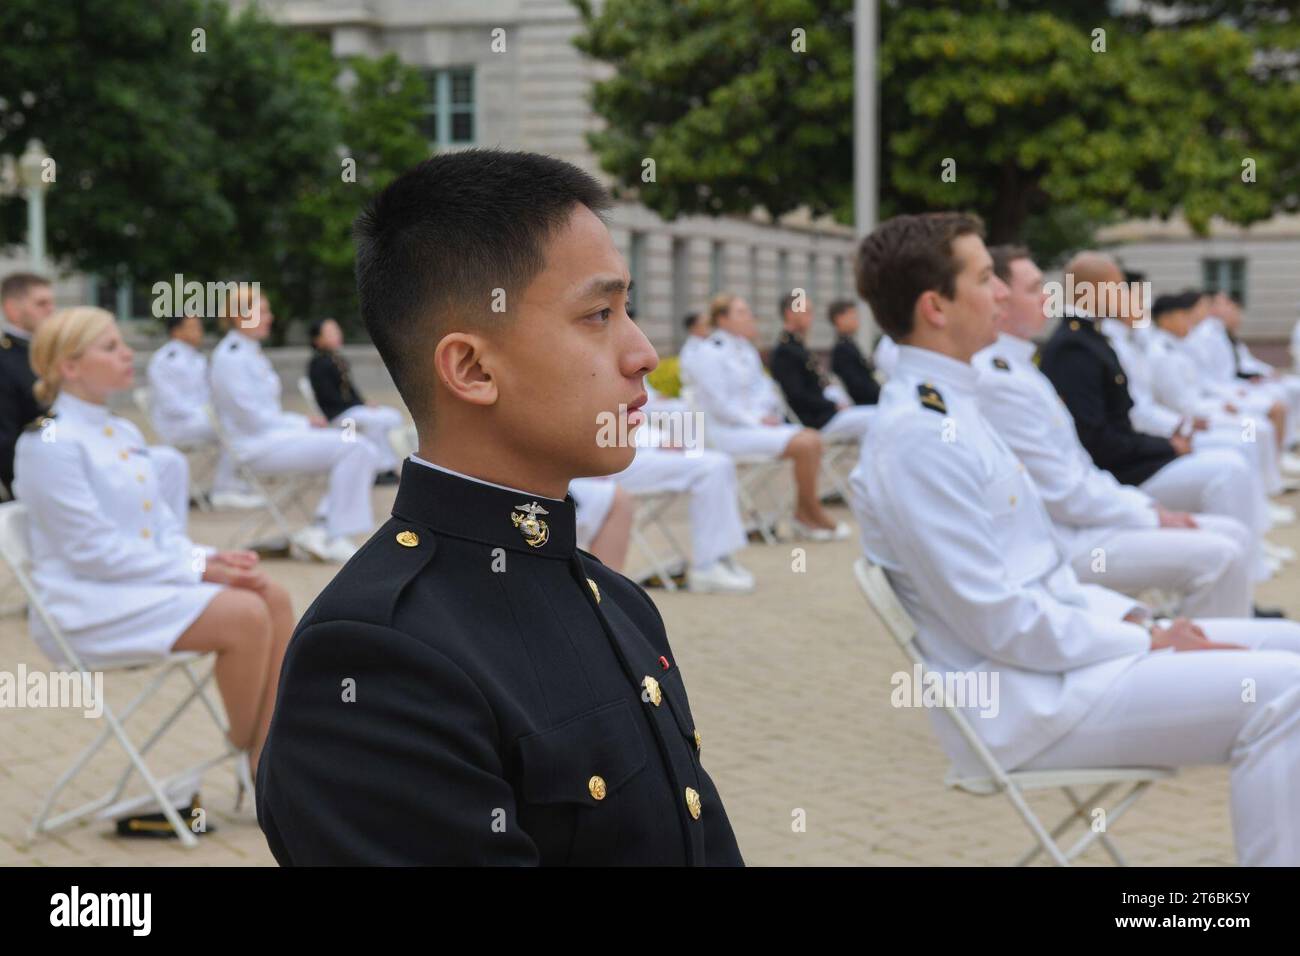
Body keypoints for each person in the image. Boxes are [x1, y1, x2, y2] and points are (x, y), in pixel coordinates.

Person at [256, 148, 743, 866]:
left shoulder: (616, 599)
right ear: (473, 368)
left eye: (628, 308)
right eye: (599, 314)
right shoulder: (379, 662)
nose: (641, 352)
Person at [851, 211, 1300, 867]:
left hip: (1067, 660)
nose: (1003, 292)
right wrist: (1146, 635)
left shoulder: (955, 406)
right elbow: (999, 621)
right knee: (1287, 694)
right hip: (1030, 702)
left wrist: (1141, 615)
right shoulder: (919, 437)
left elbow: (1047, 574)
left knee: (1292, 645)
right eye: (984, 278)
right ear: (935, 306)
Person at [14, 307, 295, 778]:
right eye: (110, 347)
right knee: (244, 614)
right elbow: (90, 551)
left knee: (273, 594)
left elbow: (161, 531)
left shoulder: (121, 431)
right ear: (70, 366)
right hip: (84, 602)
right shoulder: (49, 443)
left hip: (133, 584)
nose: (127, 354)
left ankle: (266, 754)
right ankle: (256, 757)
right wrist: (199, 570)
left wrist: (212, 557)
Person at [976, 246, 1254, 618]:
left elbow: (1082, 459)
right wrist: (1151, 508)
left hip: (1093, 506)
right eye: (1034, 288)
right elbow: (1081, 468)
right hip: (1070, 535)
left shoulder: (1035, 360)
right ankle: (1210, 652)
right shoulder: (1055, 354)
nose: (1048, 295)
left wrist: (1147, 502)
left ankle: (1213, 633)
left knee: (1231, 533)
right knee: (1223, 543)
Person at [1038, 253, 1268, 568]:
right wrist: (1167, 445)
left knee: (1231, 464)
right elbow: (1098, 439)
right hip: (1119, 472)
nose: (1127, 296)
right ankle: (1248, 568)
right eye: (1119, 287)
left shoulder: (1090, 338)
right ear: (1096, 290)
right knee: (1228, 471)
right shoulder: (1075, 346)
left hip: (1128, 458)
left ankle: (1251, 561)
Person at [209, 289, 379, 562]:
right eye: (262, 311)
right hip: (256, 446)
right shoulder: (230, 357)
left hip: (271, 437)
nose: (270, 317)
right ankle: (334, 535)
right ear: (241, 317)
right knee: (355, 448)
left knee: (362, 447)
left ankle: (325, 525)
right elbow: (253, 420)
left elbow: (266, 414)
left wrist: (303, 424)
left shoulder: (249, 352)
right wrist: (301, 425)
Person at [682, 293, 849, 541]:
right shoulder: (709, 353)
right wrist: (755, 420)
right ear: (722, 319)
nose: (749, 317)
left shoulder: (746, 349)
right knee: (806, 443)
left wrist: (765, 414)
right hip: (728, 432)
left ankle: (806, 512)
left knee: (812, 439)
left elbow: (765, 390)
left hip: (755, 426)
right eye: (741, 312)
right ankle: (808, 512)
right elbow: (719, 404)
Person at [146, 313, 261, 509]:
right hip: (177, 425)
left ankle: (230, 481)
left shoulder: (197, 358)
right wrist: (209, 415)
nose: (199, 331)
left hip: (200, 421)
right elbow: (171, 404)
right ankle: (224, 488)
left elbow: (209, 395)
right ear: (177, 331)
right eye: (193, 327)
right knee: (230, 423)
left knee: (237, 420)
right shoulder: (164, 359)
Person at [307, 317, 403, 484]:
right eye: (330, 332)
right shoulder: (317, 364)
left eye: (336, 330)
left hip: (351, 410)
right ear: (318, 339)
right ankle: (380, 470)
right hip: (339, 416)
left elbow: (351, 391)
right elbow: (330, 397)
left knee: (392, 417)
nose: (337, 334)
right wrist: (359, 405)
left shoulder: (337, 359)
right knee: (374, 421)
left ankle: (384, 466)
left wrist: (364, 403)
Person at [770, 292, 874, 441]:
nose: (810, 316)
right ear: (789, 313)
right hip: (816, 421)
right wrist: (832, 405)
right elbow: (797, 395)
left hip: (826, 414)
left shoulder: (797, 346)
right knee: (878, 417)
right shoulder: (785, 352)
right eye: (805, 311)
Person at [0, 272, 55, 497]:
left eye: (52, 303)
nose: (51, 310)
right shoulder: (5, 359)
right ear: (13, 309)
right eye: (41, 303)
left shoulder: (46, 353)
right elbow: (5, 441)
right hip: (37, 479)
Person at [828, 299, 881, 406]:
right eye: (852, 315)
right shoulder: (842, 350)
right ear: (839, 319)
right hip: (863, 404)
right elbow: (857, 386)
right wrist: (881, 395)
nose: (856, 320)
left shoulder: (849, 345)